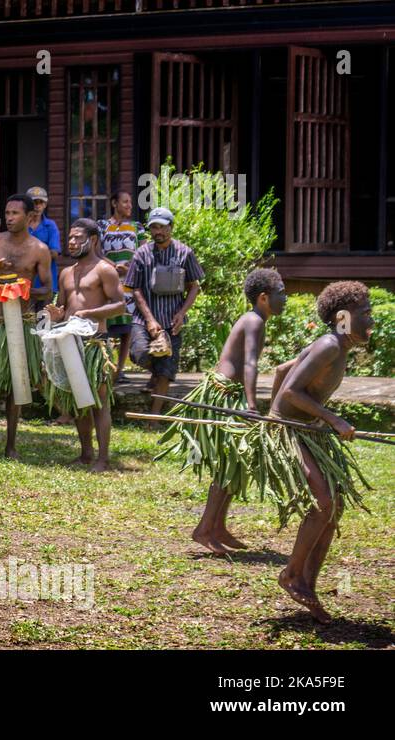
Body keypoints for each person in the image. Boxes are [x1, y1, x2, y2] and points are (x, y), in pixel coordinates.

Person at [257, 281, 373, 623]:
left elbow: (281, 372)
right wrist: (328, 418)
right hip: (291, 433)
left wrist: (279, 413)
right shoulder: (329, 345)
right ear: (343, 317)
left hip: (306, 430)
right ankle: (291, 574)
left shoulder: (337, 345)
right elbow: (291, 390)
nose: (371, 320)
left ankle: (307, 583)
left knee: (333, 509)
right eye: (365, 313)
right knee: (323, 504)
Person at [161, 268, 287, 554]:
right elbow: (250, 364)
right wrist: (253, 406)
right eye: (282, 293)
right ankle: (205, 528)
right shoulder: (254, 321)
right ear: (264, 297)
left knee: (235, 463)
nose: (286, 298)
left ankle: (217, 526)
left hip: (230, 393)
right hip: (223, 394)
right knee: (229, 463)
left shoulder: (256, 319)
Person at [0, 194, 52, 458]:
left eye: (15, 213)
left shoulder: (39, 249)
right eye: (7, 213)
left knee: (18, 383)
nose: (10, 218)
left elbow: (48, 289)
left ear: (30, 217)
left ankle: (11, 445)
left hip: (20, 324)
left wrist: (26, 290)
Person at [44, 219, 125, 472]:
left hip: (95, 343)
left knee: (99, 401)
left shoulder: (105, 269)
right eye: (70, 237)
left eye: (78, 237)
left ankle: (103, 459)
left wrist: (91, 312)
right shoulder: (67, 272)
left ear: (93, 240)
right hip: (70, 340)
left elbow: (120, 305)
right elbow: (64, 305)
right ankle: (86, 454)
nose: (72, 242)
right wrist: (57, 315)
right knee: (77, 399)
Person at [124, 206, 204, 416]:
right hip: (143, 319)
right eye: (154, 228)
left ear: (171, 227)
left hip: (172, 321)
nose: (157, 231)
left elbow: (194, 286)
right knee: (139, 354)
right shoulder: (141, 254)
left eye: (162, 227)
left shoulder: (185, 253)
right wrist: (150, 319)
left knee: (166, 372)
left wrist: (181, 313)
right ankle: (154, 372)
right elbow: (135, 288)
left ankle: (154, 418)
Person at [99, 189, 146, 382]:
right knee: (107, 325)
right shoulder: (101, 226)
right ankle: (105, 366)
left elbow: (144, 252)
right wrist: (112, 266)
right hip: (107, 281)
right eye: (125, 202)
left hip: (129, 281)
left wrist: (130, 266)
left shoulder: (137, 227)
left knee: (127, 327)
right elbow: (96, 251)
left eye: (130, 202)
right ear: (114, 203)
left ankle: (119, 370)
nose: (129, 205)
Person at [26, 187, 62, 307]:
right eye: (34, 202)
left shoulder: (50, 226)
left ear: (45, 204)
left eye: (40, 202)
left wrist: (33, 255)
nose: (37, 206)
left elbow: (55, 253)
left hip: (45, 282)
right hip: (25, 282)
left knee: (44, 319)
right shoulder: (22, 225)